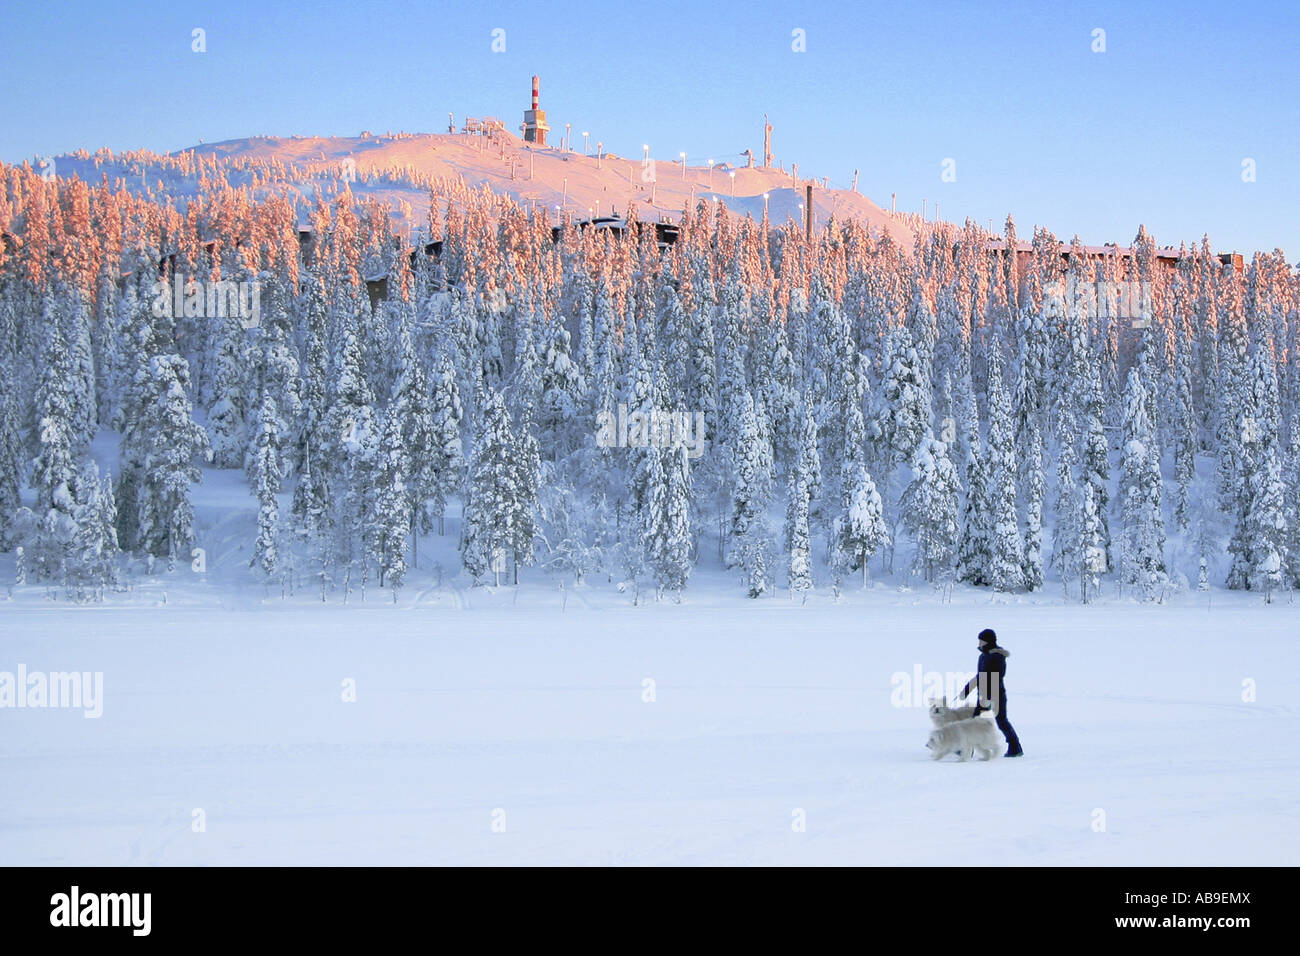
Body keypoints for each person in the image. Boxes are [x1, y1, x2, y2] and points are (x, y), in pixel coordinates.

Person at [957, 628, 1023, 758]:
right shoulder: (983, 656)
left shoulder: (997, 657)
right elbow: (980, 676)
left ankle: (1015, 747)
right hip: (983, 695)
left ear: (988, 641)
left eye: (981, 640)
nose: (979, 643)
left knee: (1001, 721)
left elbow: (996, 677)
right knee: (973, 722)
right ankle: (967, 749)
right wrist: (966, 690)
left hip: (995, 695)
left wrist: (989, 697)